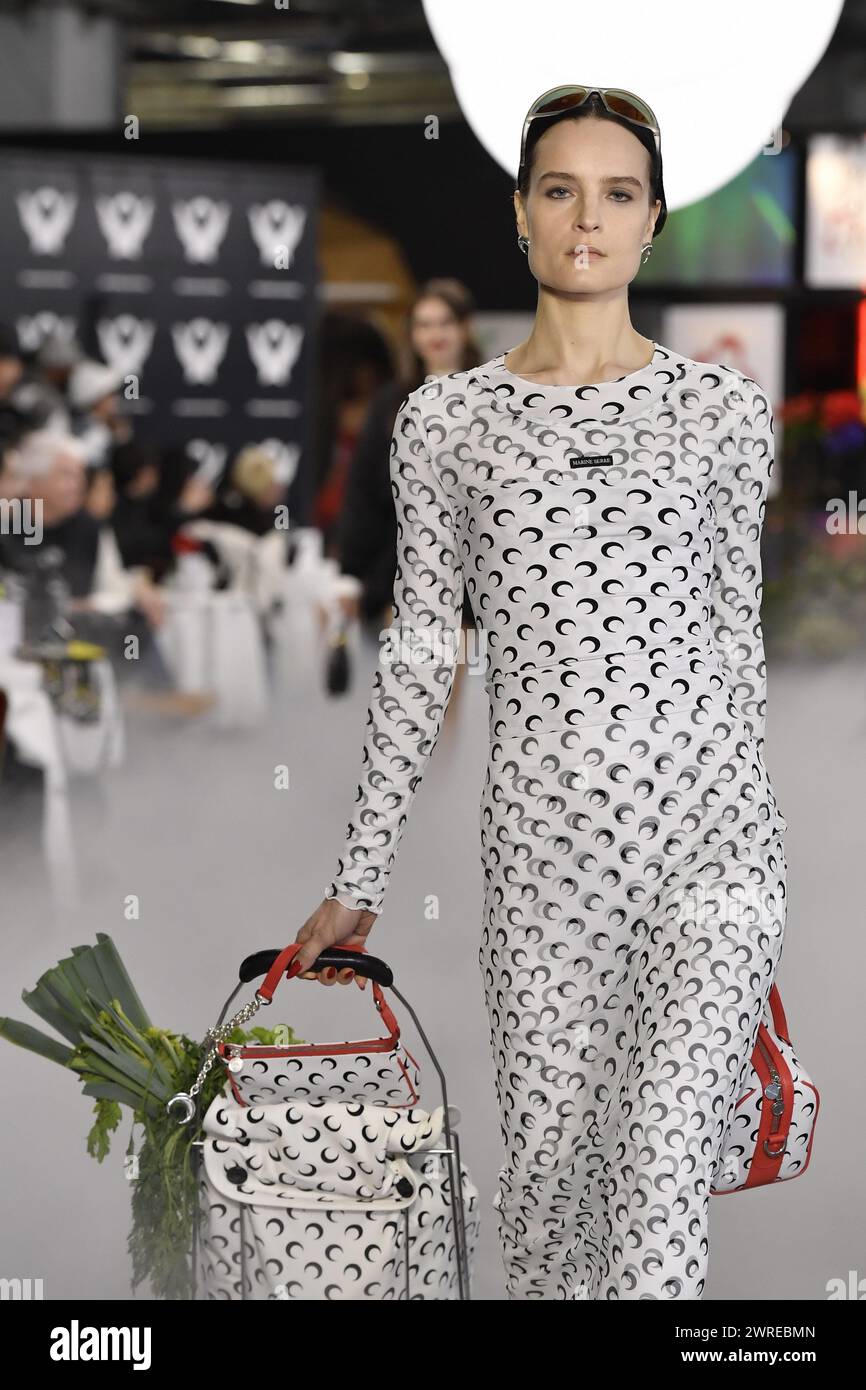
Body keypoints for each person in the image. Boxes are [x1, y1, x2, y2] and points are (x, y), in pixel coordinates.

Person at [289, 86, 789, 1301]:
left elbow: (735, 647)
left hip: (710, 868)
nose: (586, 220)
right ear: (519, 213)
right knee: (555, 1218)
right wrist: (361, 877)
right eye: (559, 190)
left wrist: (756, 868)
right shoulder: (447, 423)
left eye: (617, 193)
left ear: (654, 220)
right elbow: (419, 651)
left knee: (659, 1179)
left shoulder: (721, 412)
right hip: (544, 872)